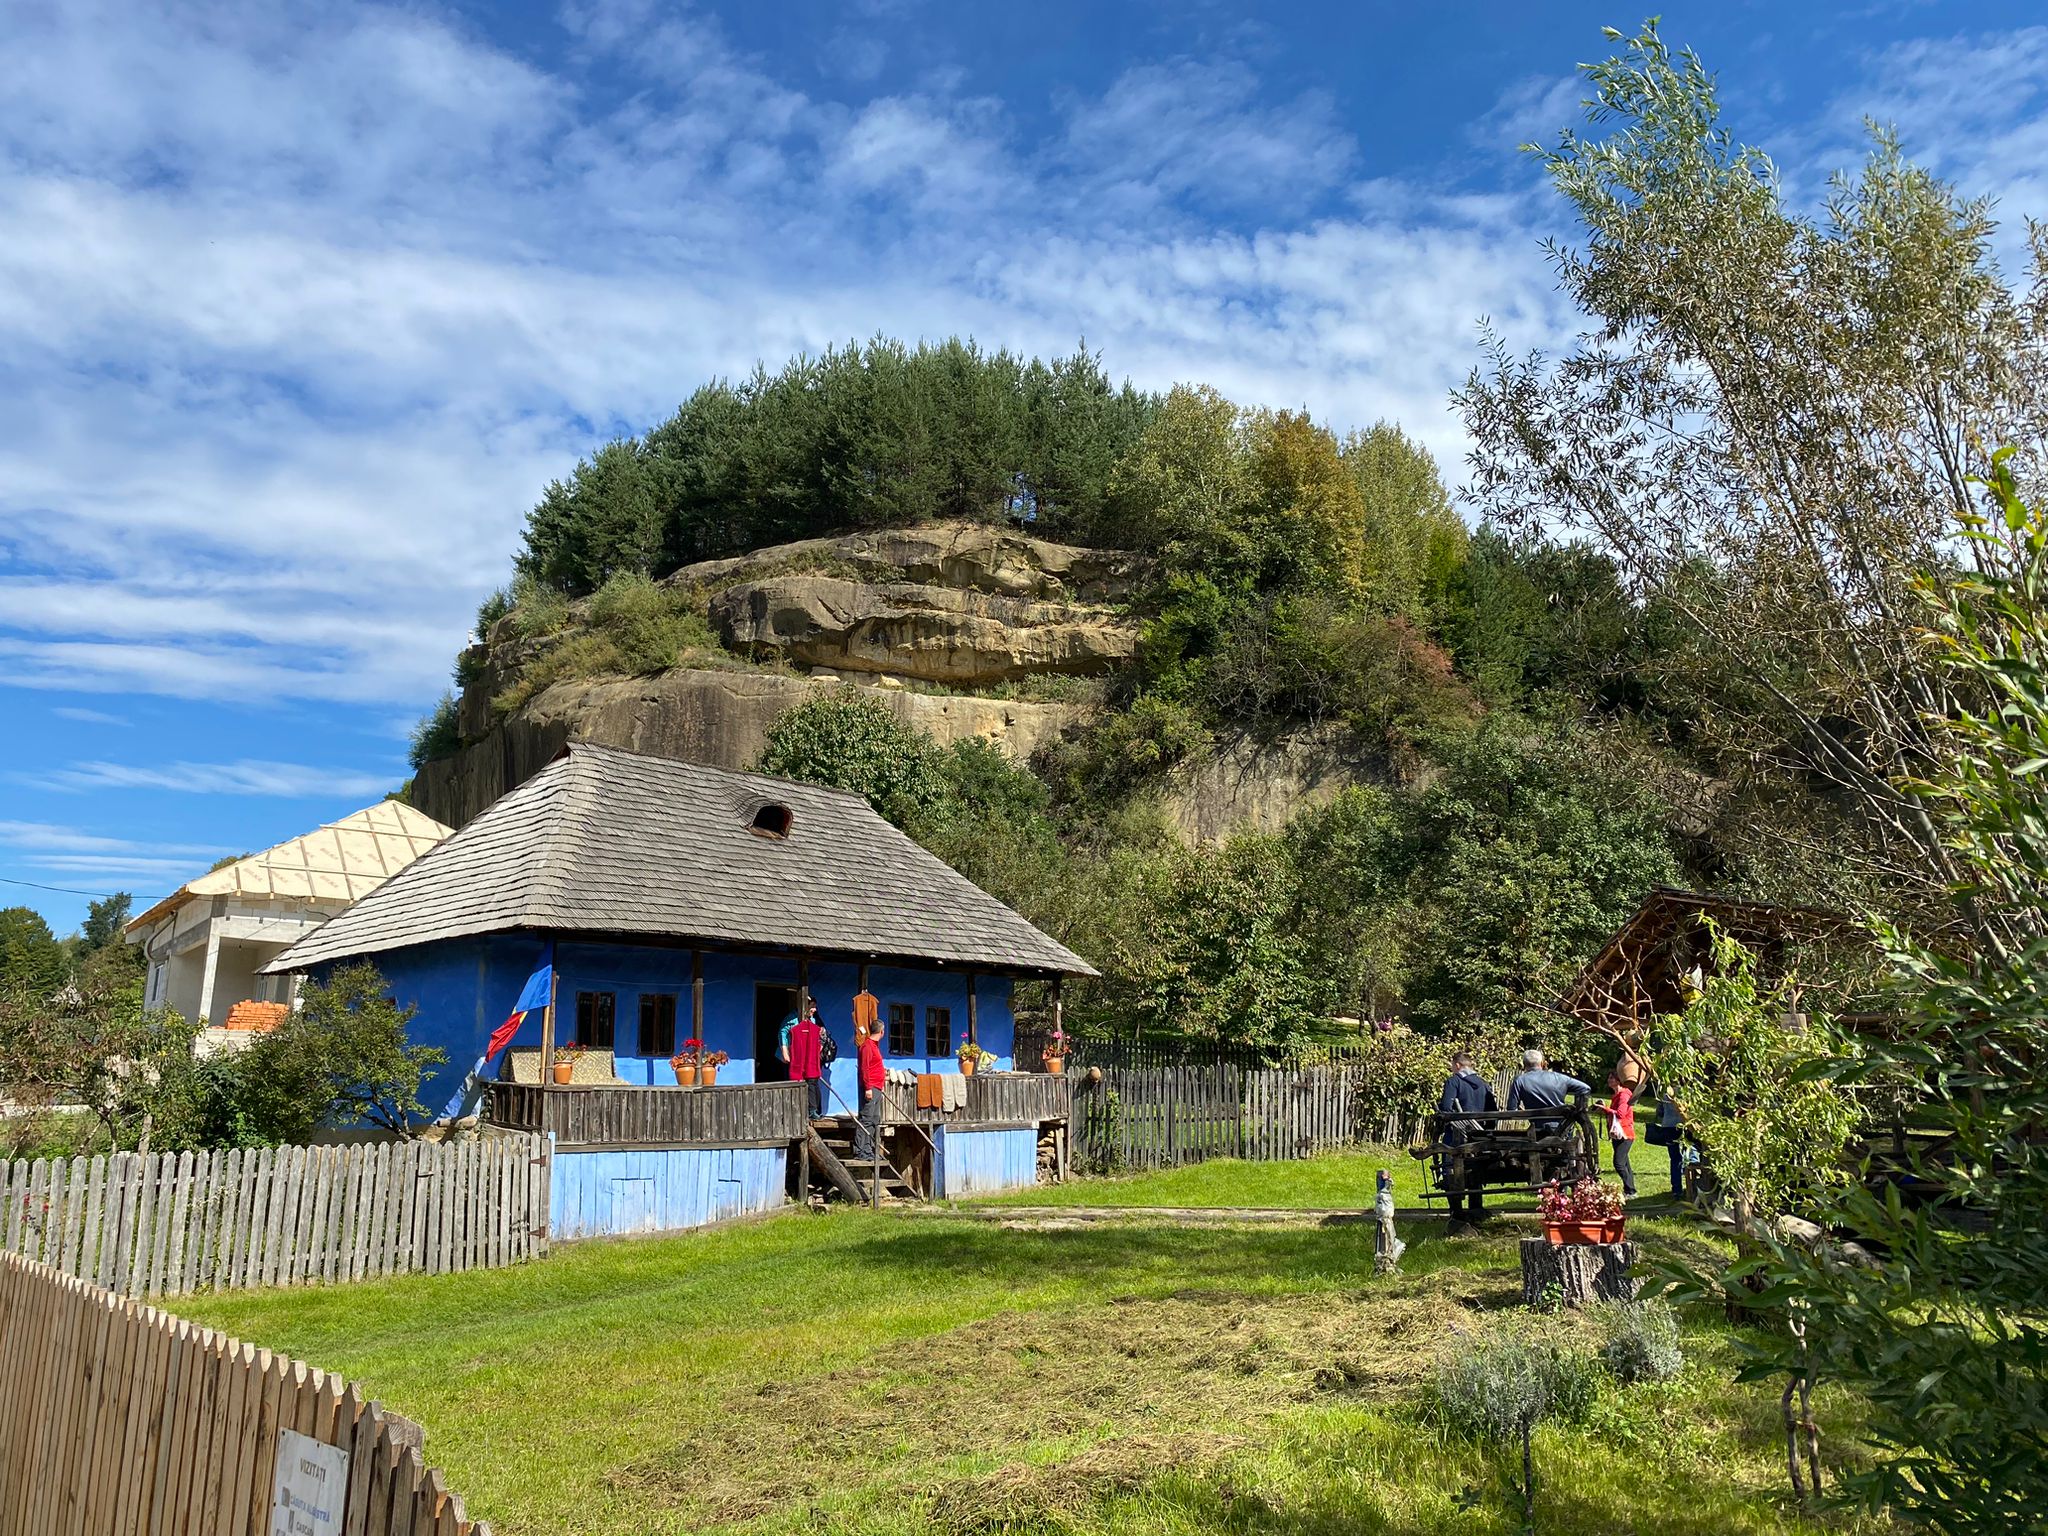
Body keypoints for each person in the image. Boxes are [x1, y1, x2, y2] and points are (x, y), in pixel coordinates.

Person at [1438, 1051, 1497, 1230]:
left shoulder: (1454, 1081)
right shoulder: (1483, 1084)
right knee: (1475, 1169)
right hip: (1478, 1137)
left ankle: (1456, 1211)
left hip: (1456, 1137)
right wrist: (1487, 1131)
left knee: (1451, 1170)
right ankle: (1476, 1208)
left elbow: (1446, 1109)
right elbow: (1493, 1112)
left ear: (1457, 1065)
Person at [1506, 1049, 1591, 1129]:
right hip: (1563, 1130)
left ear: (1524, 1064)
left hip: (1538, 1132)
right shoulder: (1559, 1078)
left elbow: (1511, 1109)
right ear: (1542, 1063)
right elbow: (1585, 1088)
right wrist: (1576, 1109)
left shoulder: (1520, 1081)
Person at [853, 1018, 886, 1164]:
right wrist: (867, 1088)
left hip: (877, 1087)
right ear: (881, 1031)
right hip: (871, 1087)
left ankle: (869, 1149)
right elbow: (864, 1068)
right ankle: (860, 1150)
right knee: (866, 1119)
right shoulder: (867, 1046)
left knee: (874, 1119)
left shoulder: (875, 1046)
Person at [1601, 1070, 1637, 1198]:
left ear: (1618, 1080)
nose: (1609, 1080)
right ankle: (1630, 1191)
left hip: (1625, 1133)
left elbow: (1620, 1114)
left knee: (1619, 1163)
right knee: (1625, 1164)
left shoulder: (1624, 1095)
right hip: (1617, 1133)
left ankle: (1631, 1190)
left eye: (1612, 1078)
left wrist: (1605, 1109)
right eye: (1609, 1078)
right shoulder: (1617, 1095)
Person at [788, 1004, 826, 1119]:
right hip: (808, 1063)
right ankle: (808, 1110)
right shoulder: (794, 1028)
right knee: (809, 1086)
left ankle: (813, 1110)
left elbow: (823, 1042)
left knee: (812, 1086)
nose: (814, 1010)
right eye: (812, 1008)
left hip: (809, 1063)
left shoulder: (815, 1029)